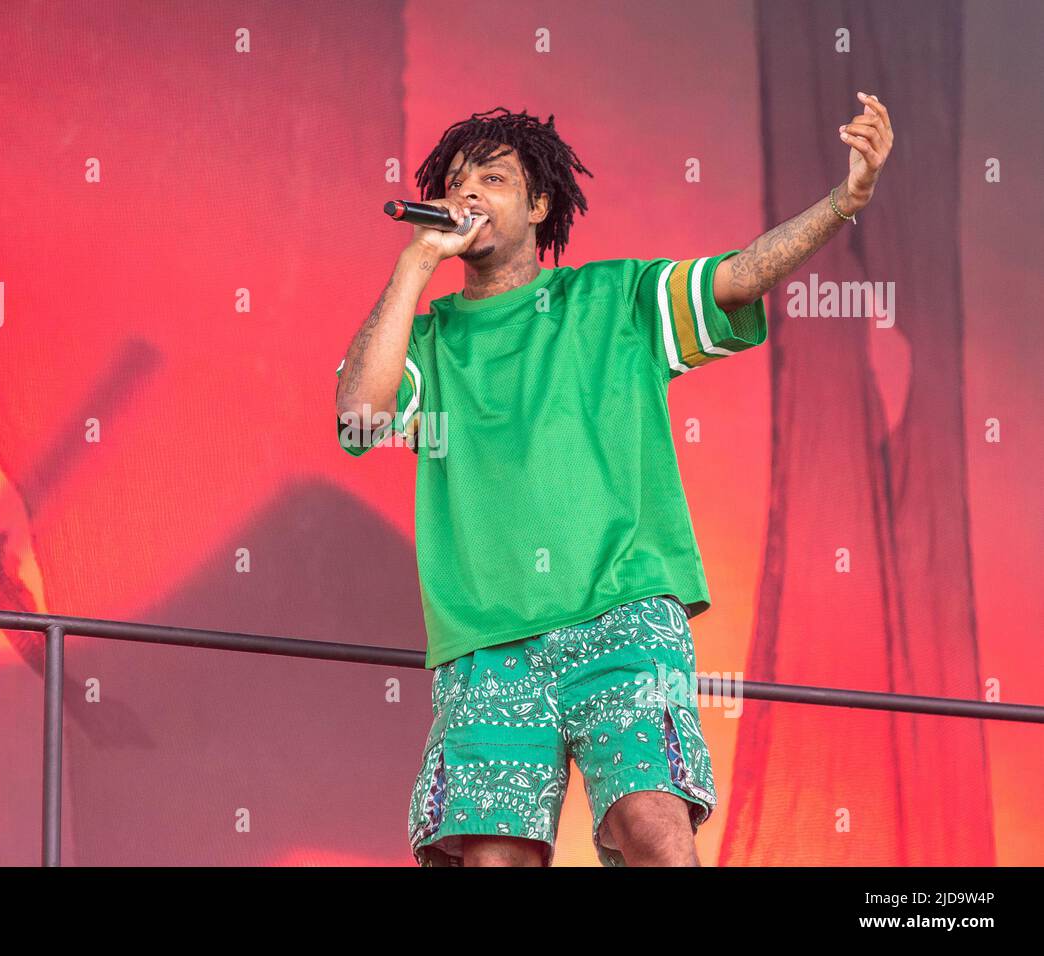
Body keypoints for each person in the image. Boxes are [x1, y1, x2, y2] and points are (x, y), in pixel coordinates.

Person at [334, 100, 893, 866]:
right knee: (494, 858)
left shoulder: (614, 302)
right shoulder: (426, 342)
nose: (466, 194)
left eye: (492, 178)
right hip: (487, 644)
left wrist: (843, 202)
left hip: (623, 621)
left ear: (538, 204)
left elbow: (738, 275)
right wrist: (413, 264)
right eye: (456, 181)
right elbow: (361, 419)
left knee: (652, 824)